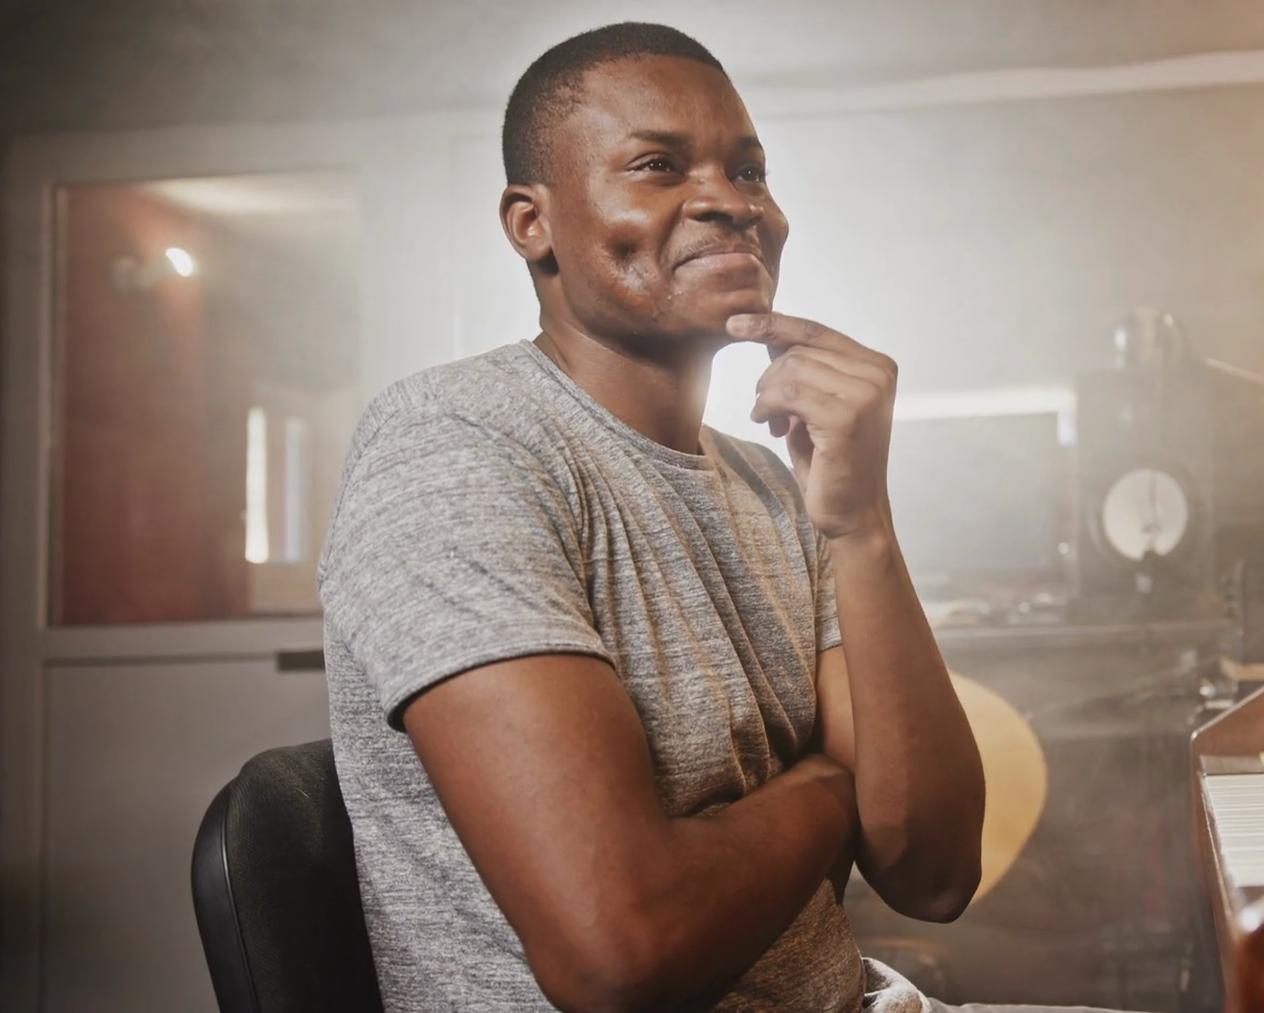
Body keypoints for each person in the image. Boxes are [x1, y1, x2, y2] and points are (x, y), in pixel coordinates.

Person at [321, 21, 1122, 1013]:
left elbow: (933, 867)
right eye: (657, 165)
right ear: (533, 223)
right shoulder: (455, 444)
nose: (728, 201)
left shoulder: (782, 484)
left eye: (749, 170)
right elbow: (624, 952)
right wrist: (835, 783)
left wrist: (862, 520)